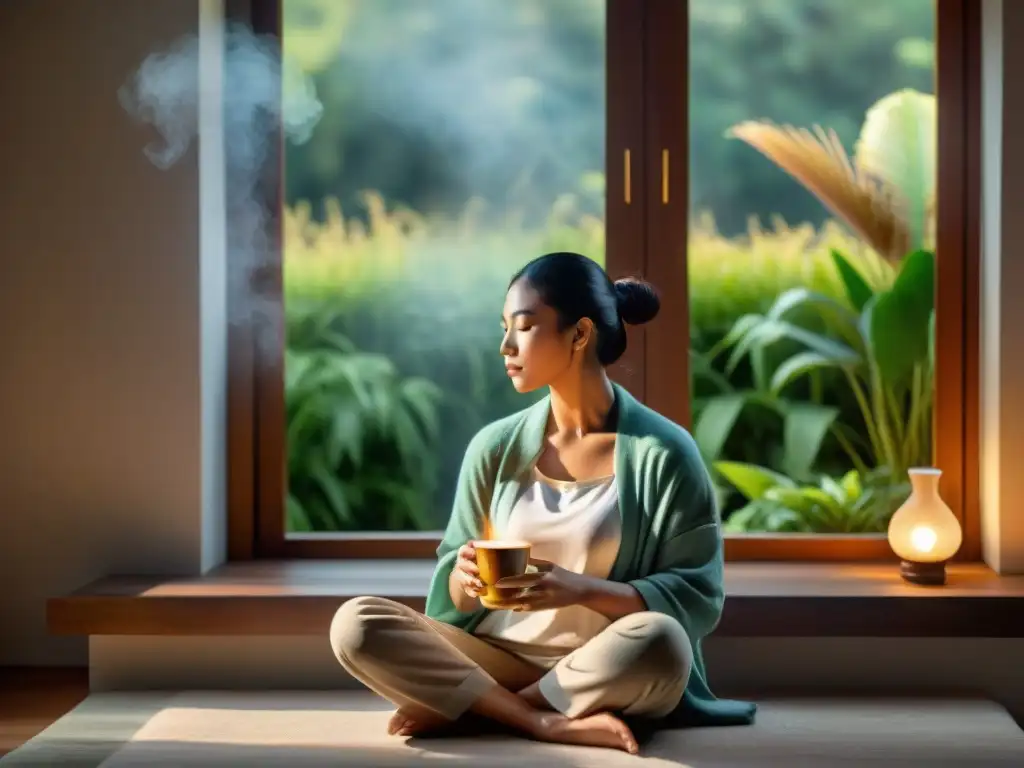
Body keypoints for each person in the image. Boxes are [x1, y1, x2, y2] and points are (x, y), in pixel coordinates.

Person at [329, 252, 756, 754]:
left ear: (580, 334)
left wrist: (578, 588)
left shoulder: (664, 453)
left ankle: (482, 707)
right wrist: (464, 577)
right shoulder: (494, 447)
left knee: (662, 642)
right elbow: (452, 597)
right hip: (494, 656)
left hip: (603, 665)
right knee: (356, 624)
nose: (506, 346)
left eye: (525, 326)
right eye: (505, 328)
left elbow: (696, 596)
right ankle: (536, 718)